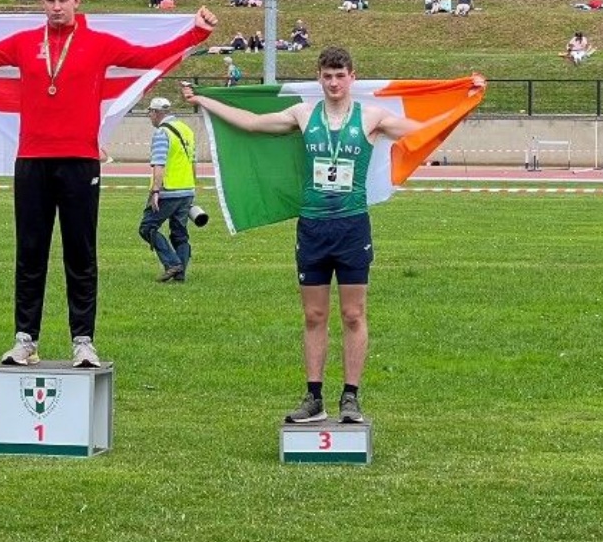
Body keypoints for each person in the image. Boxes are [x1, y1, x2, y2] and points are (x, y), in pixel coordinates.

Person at [0, 0, 216, 367]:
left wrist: (196, 34)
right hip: (32, 160)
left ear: (76, 1)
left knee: (81, 253)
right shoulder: (24, 42)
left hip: (80, 161)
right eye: (50, 0)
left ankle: (83, 340)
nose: (56, 7)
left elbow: (147, 56)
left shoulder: (99, 43)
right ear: (43, 2)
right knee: (30, 252)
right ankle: (25, 339)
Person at [181, 48, 464, 426]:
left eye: (340, 75)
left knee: (353, 314)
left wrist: (465, 105)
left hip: (351, 227)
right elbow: (252, 123)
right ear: (319, 78)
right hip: (313, 228)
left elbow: (422, 130)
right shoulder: (304, 114)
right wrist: (203, 100)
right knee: (314, 315)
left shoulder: (372, 117)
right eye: (327, 76)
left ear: (352, 77)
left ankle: (351, 397)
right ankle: (314, 398)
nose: (334, 83)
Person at [139, 97, 197, 282]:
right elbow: (192, 162)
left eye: (150, 112)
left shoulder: (162, 133)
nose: (149, 116)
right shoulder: (187, 130)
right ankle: (180, 274)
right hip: (187, 189)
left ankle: (172, 264)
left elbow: (159, 163)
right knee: (179, 233)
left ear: (156, 113)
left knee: (147, 227)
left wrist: (155, 190)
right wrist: (192, 188)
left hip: (168, 190)